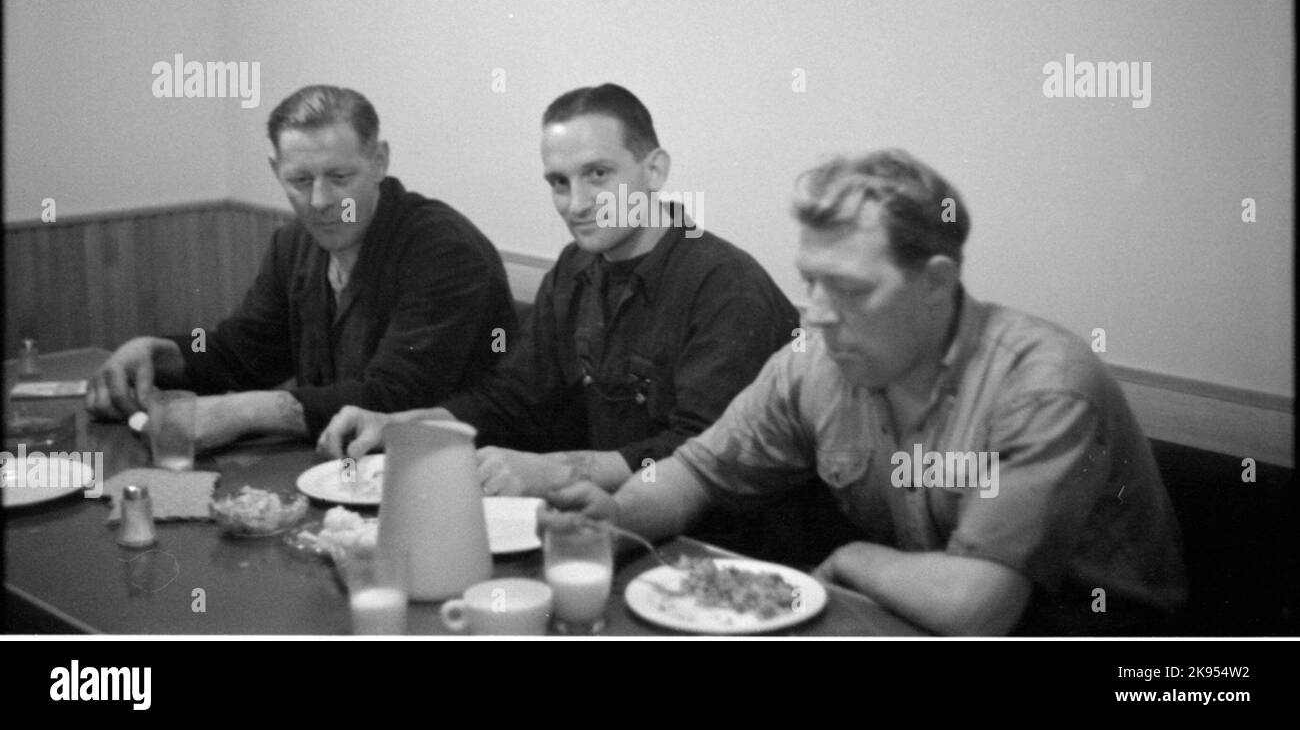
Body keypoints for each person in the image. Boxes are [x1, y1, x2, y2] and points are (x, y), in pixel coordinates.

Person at [542, 148, 1189, 636]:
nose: (817, 312)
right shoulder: (816, 359)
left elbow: (977, 606)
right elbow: (696, 471)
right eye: (811, 282)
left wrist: (852, 556)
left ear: (935, 283)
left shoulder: (1044, 385)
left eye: (848, 289)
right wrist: (615, 518)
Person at [320, 83, 799, 506]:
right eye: (559, 182)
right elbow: (513, 397)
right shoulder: (575, 268)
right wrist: (408, 426)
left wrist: (555, 471)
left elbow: (702, 455)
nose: (577, 203)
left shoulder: (726, 288)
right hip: (604, 529)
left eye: (597, 175)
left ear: (654, 171)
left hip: (723, 551)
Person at [85, 85, 517, 450]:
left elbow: (392, 398)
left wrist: (247, 410)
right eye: (300, 180)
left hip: (455, 480)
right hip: (343, 474)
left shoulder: (442, 248)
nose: (319, 201)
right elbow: (238, 352)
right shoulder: (294, 242)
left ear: (380, 161)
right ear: (276, 170)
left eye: (340, 178)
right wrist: (162, 352)